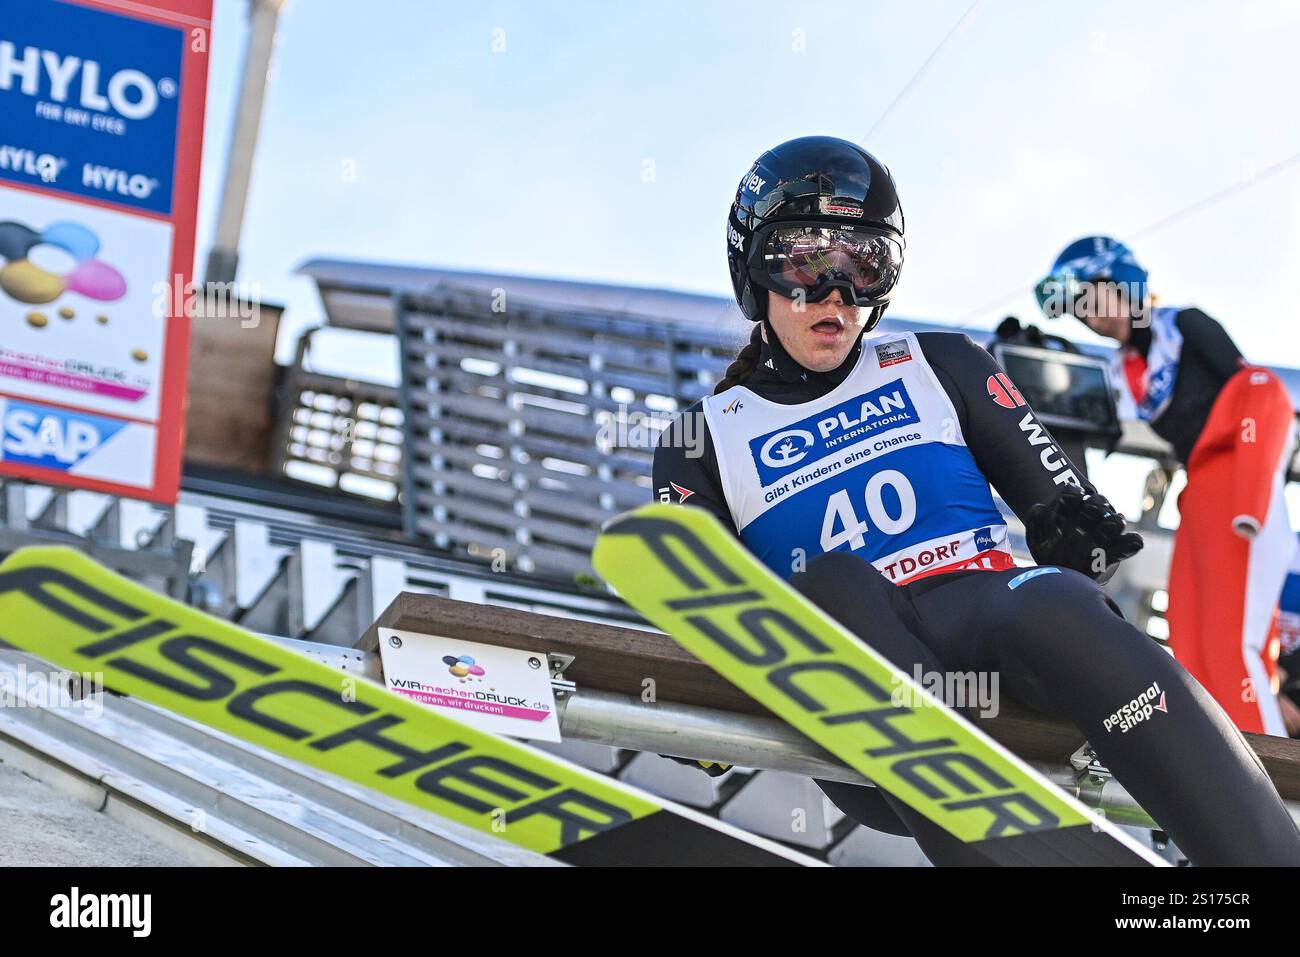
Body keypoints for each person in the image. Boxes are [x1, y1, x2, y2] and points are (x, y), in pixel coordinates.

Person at [653, 135, 1300, 866]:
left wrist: (1075, 532)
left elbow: (1063, 515)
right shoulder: (700, 438)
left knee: (1053, 597)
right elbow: (703, 603)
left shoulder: (938, 362)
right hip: (860, 697)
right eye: (804, 263)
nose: (836, 293)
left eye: (864, 264)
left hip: (995, 637)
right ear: (753, 268)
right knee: (831, 586)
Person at [1036, 237, 1297, 736]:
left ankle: (1275, 788)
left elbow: (1257, 390)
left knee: (1235, 645)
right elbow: (1097, 410)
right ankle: (1228, 766)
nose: (1091, 318)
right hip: (1201, 490)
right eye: (1078, 314)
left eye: (1092, 300)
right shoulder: (1125, 369)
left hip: (1243, 483)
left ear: (1123, 284)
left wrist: (1250, 495)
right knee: (1194, 642)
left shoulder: (1185, 325)